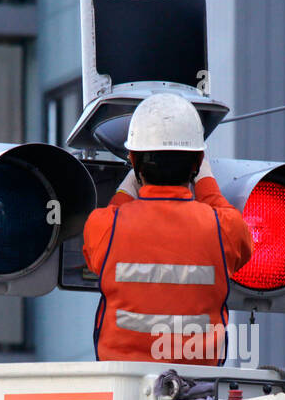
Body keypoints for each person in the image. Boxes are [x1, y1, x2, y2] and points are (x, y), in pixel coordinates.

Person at [83, 92, 253, 365]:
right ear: (196, 162)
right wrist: (206, 178)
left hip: (122, 380)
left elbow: (108, 220)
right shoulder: (224, 229)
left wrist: (128, 183)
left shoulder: (106, 225)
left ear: (135, 160)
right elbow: (237, 232)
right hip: (198, 385)